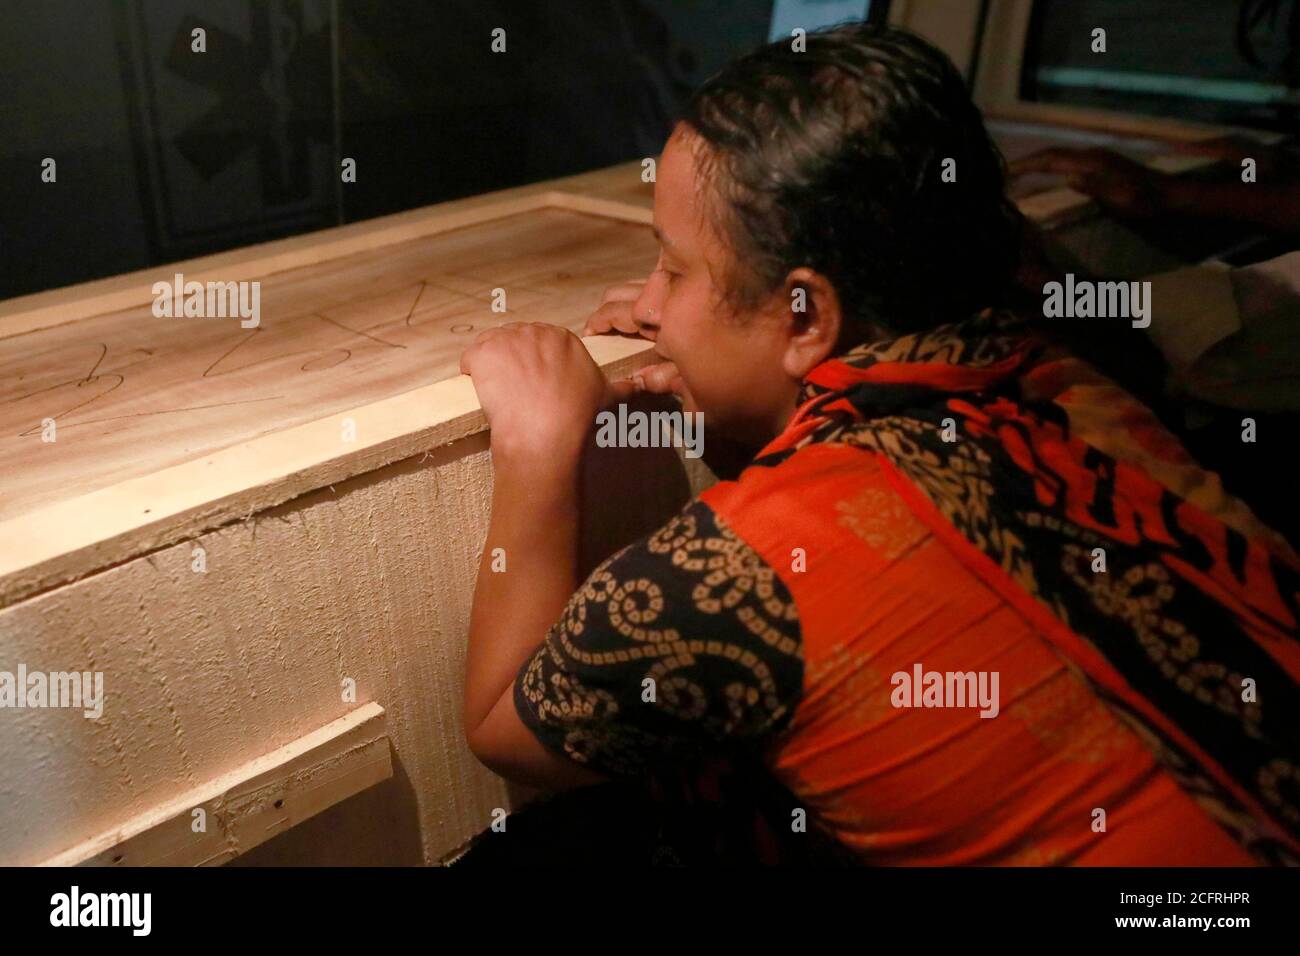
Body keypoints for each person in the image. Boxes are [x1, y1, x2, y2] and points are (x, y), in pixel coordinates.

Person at [457, 23, 1300, 865]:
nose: (648, 304)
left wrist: (537, 443)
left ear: (802, 315)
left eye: (673, 270)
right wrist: (728, 360)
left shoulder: (732, 574)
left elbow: (504, 725)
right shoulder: (1079, 378)